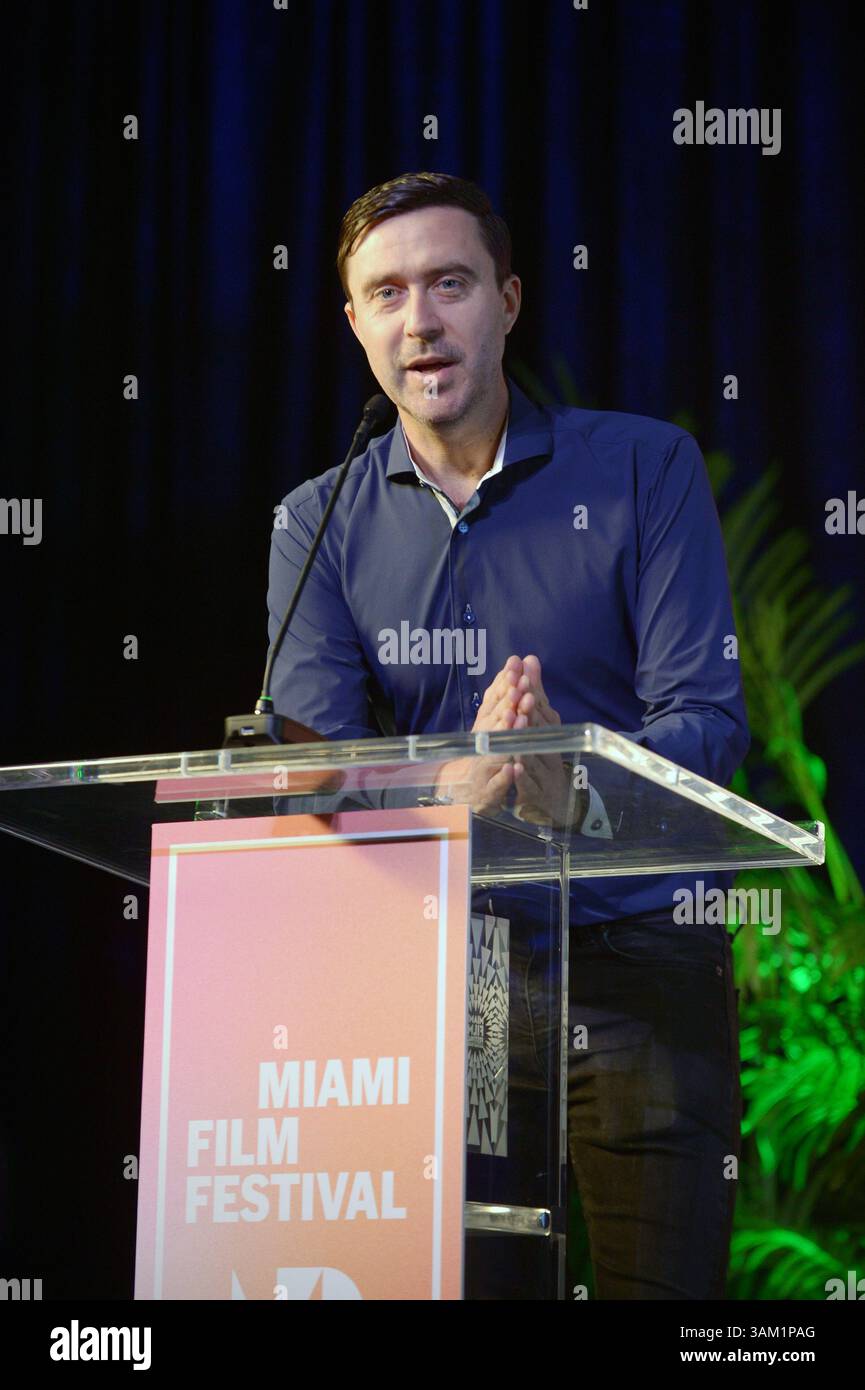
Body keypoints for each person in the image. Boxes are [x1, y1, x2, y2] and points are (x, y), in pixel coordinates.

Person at [266, 171, 749, 1299]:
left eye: (450, 282)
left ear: (509, 301)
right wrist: (460, 787)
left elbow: (709, 723)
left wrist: (561, 785)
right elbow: (318, 772)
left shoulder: (642, 468)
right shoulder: (317, 522)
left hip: (644, 960)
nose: (419, 317)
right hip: (456, 975)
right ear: (354, 323)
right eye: (386, 293)